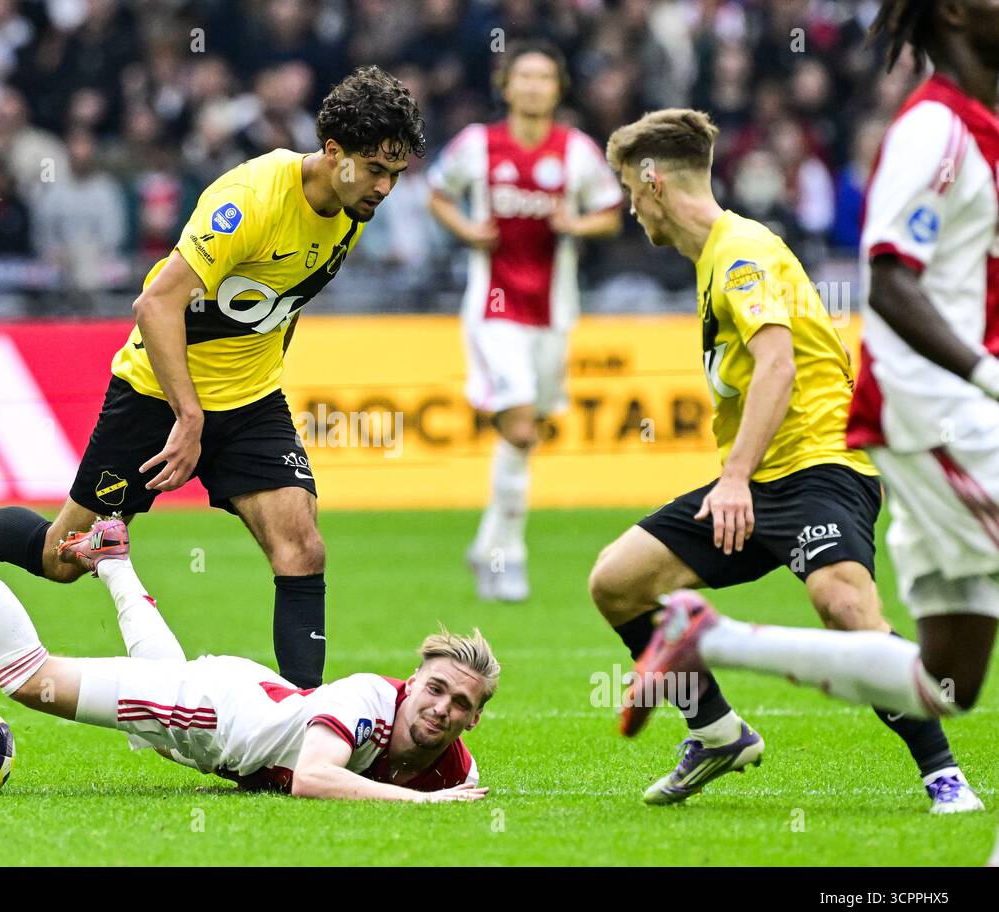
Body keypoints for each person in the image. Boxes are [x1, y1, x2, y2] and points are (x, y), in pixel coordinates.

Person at [0, 66, 426, 692]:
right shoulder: (251, 199)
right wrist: (190, 417)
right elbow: (155, 305)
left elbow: (275, 306)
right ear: (332, 151)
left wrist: (247, 383)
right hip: (158, 396)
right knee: (62, 559)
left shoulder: (351, 207)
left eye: (395, 172)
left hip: (251, 399)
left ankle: (307, 727)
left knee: (302, 549)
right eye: (374, 169)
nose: (386, 187)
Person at [620, 0, 999, 811]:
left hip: (822, 461)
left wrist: (730, 479)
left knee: (844, 606)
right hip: (760, 480)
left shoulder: (743, 253)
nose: (628, 209)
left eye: (629, 189)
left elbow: (778, 368)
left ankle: (944, 777)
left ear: (652, 180)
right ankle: (718, 733)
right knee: (617, 581)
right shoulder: (716, 260)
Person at [0, 474, 493, 802]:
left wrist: (442, 789)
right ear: (412, 682)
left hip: (223, 700)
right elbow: (314, 778)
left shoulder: (449, 757)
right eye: (437, 690)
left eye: (462, 706)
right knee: (28, 679)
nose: (443, 709)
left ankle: (113, 559)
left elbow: (466, 782)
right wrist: (424, 802)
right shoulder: (372, 700)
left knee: (163, 695)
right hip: (212, 711)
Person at [428, 40, 622, 601]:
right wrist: (467, 231)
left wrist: (575, 224)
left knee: (525, 432)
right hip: (493, 307)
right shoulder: (478, 145)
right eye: (524, 77)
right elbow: (438, 194)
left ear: (558, 88)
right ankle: (507, 556)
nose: (534, 86)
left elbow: (610, 214)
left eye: (544, 77)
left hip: (553, 311)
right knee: (517, 424)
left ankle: (488, 542)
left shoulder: (577, 151)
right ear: (506, 86)